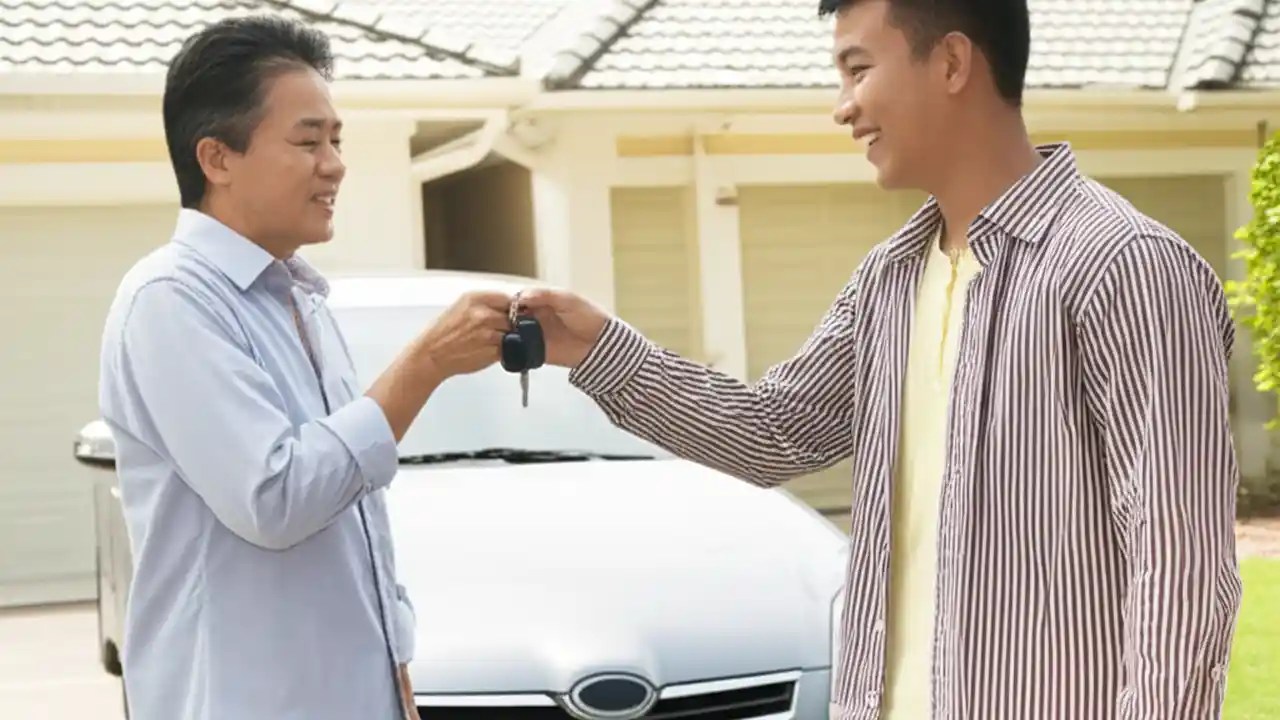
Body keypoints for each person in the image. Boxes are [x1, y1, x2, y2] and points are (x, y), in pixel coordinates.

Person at [518, 0, 1243, 718]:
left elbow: (1178, 560)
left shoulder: (1126, 266)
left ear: (953, 62)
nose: (844, 108)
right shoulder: (889, 279)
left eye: (858, 70)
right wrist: (596, 348)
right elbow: (772, 430)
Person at [97, 15, 510, 720]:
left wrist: (395, 662)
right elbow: (277, 498)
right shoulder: (172, 299)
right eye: (308, 140)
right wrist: (427, 363)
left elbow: (358, 515)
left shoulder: (302, 298)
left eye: (337, 140)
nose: (335, 164)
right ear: (217, 158)